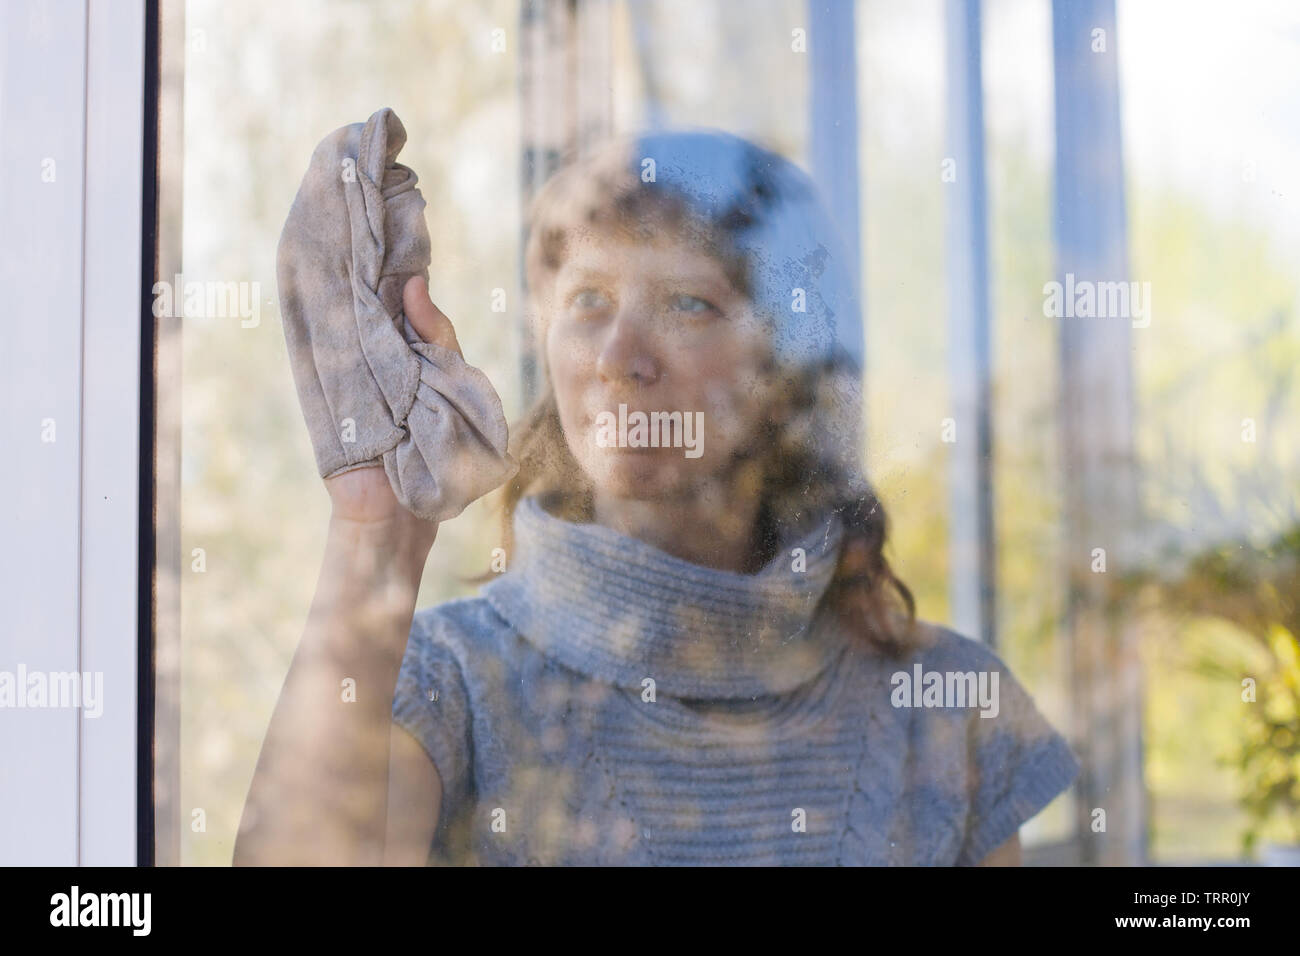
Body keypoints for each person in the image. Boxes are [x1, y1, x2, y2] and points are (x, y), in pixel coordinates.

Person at [234, 127, 1078, 866]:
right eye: (588, 301)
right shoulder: (442, 685)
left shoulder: (947, 707)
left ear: (785, 369)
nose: (618, 357)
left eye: (687, 303)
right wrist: (375, 533)